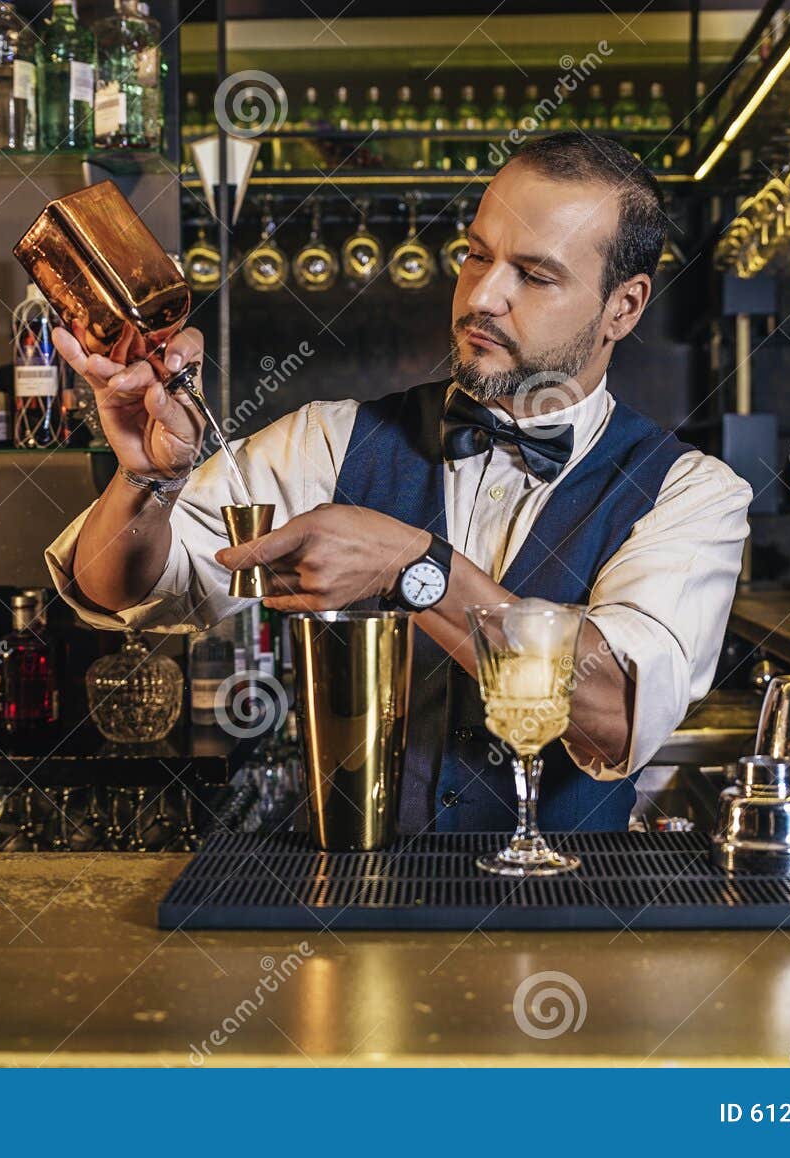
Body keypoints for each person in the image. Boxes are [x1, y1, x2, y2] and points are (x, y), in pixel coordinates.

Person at [45, 131, 752, 834]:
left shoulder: (689, 494)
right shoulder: (329, 441)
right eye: (477, 255)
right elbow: (118, 589)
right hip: (353, 910)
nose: (484, 296)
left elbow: (614, 711)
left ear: (623, 308)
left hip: (561, 916)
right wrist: (146, 479)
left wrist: (419, 569)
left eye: (534, 276)